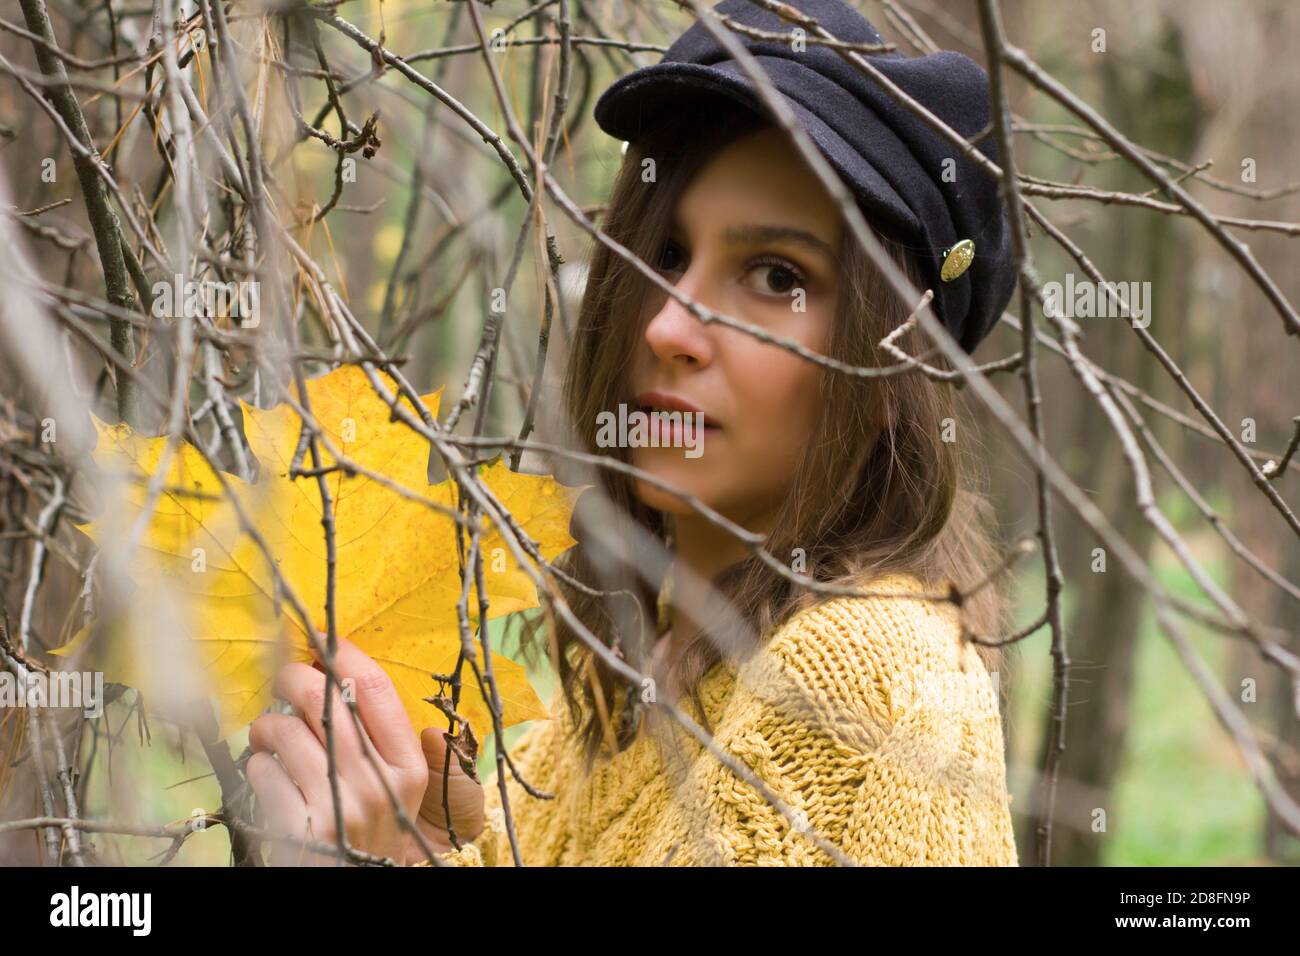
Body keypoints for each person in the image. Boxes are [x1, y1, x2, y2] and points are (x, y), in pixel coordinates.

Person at [246, 0, 1021, 867]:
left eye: (774, 276)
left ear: (889, 376)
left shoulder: (859, 676)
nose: (668, 329)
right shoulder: (640, 672)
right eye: (667, 258)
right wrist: (433, 845)